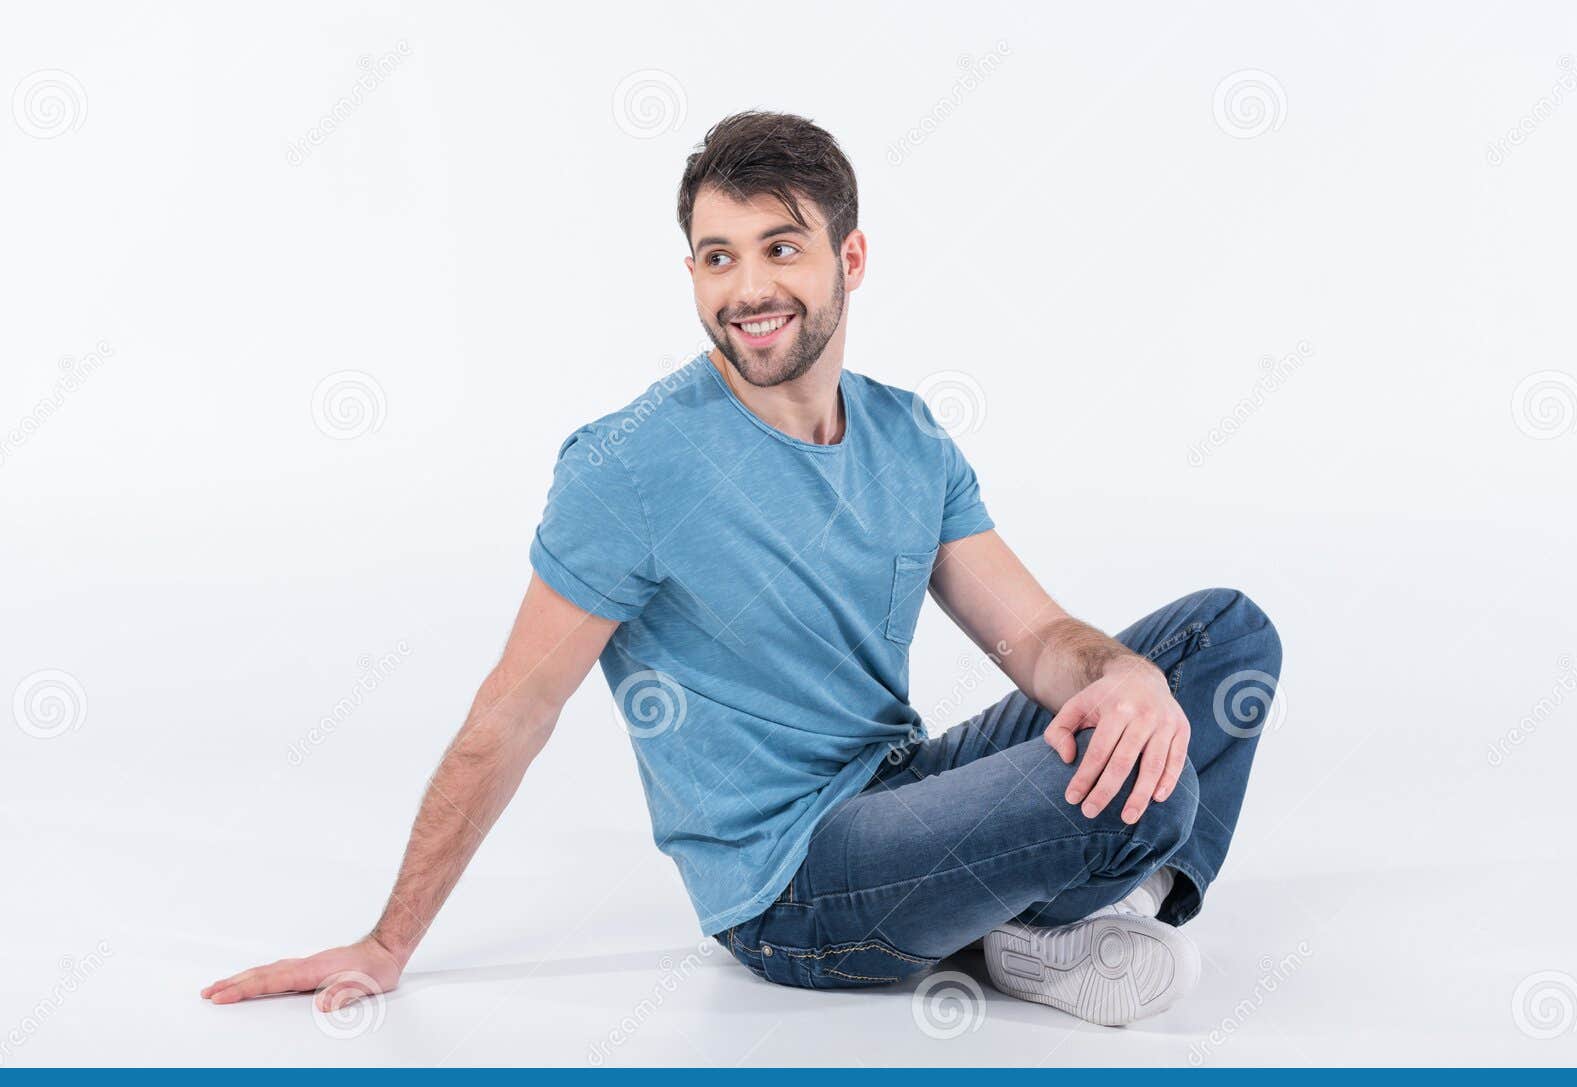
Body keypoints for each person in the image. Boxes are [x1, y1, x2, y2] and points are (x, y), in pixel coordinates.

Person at [201, 110, 1282, 1027]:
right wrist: (389, 942)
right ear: (691, 273)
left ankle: (1083, 920)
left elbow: (1037, 639)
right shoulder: (630, 465)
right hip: (793, 887)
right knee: (1145, 783)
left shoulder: (909, 440)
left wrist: (1114, 678)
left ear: (848, 261)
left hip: (896, 792)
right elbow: (513, 711)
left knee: (1219, 640)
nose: (747, 288)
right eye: (718, 257)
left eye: (780, 248)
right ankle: (1051, 917)